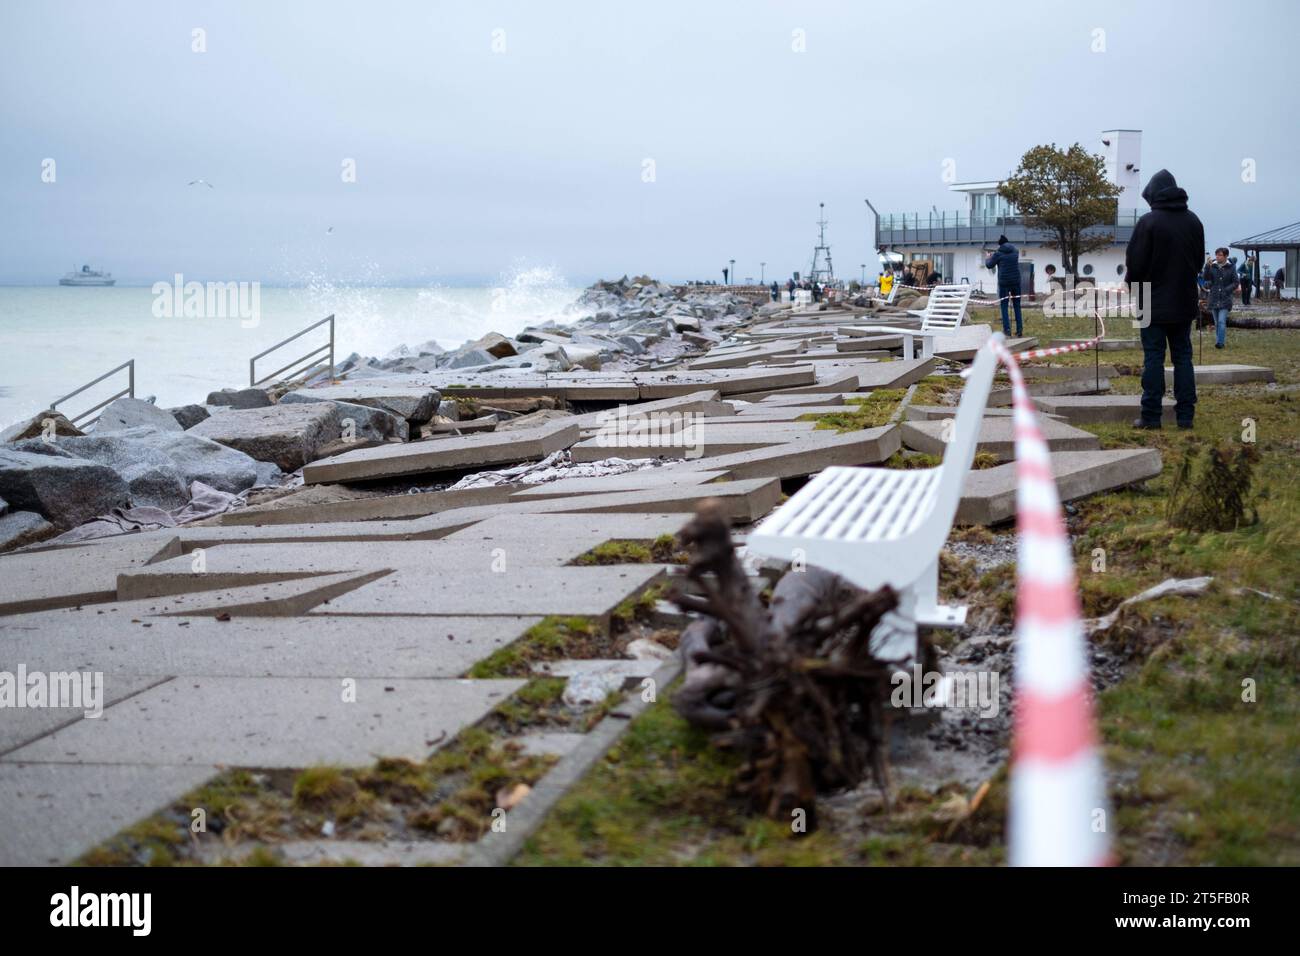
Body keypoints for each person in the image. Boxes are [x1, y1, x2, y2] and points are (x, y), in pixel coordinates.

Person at [1124, 169, 1204, 430]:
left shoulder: (1148, 222)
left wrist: (1133, 286)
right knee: (1183, 357)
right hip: (1183, 298)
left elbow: (1135, 263)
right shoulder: (1194, 222)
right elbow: (1199, 262)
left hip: (1149, 299)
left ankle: (1150, 416)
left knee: (1153, 358)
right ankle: (1185, 416)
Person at [985, 234, 1023, 336]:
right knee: (1017, 306)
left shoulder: (998, 254)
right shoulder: (1016, 251)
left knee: (1004, 306)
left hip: (1004, 283)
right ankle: (1019, 331)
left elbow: (989, 265)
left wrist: (988, 257)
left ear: (1000, 244)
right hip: (1016, 282)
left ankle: (1007, 330)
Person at [1201, 248, 1238, 349]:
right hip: (1213, 298)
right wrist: (1207, 267)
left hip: (1225, 299)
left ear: (1226, 256)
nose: (1217, 257)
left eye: (1220, 255)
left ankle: (1220, 343)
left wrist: (1227, 290)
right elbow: (1206, 278)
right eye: (1216, 255)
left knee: (1221, 321)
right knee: (1217, 322)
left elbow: (1235, 282)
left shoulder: (1231, 267)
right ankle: (1218, 340)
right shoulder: (1211, 265)